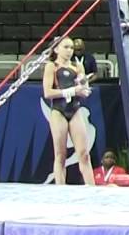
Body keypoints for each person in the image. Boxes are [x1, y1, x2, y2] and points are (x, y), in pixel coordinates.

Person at [43, 36, 95, 186]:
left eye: (71, 48)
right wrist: (72, 90)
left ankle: (93, 189)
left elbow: (83, 88)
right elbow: (48, 93)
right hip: (58, 111)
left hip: (75, 109)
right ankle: (61, 189)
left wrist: (84, 90)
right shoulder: (51, 66)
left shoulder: (78, 66)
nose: (69, 51)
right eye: (66, 47)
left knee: (84, 154)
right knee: (61, 155)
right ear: (56, 49)